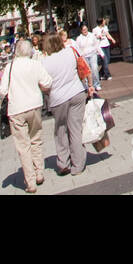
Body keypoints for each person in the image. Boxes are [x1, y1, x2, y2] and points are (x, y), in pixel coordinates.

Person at [0, 38, 53, 193]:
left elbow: (2, 90)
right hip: (35, 105)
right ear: (30, 51)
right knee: (36, 139)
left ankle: (30, 182)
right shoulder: (35, 64)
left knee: (23, 146)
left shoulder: (10, 67)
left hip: (16, 108)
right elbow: (47, 82)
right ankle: (39, 173)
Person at [42, 32, 92, 178]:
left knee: (61, 131)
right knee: (76, 129)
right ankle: (78, 165)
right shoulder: (70, 52)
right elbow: (83, 67)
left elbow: (44, 85)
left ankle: (64, 163)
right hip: (77, 93)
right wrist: (90, 85)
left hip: (58, 99)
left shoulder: (44, 62)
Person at [74, 23, 103, 89]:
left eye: (86, 29)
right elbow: (77, 48)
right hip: (84, 56)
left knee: (94, 69)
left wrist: (101, 53)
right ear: (81, 30)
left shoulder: (92, 35)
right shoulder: (79, 38)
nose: (85, 31)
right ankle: (89, 86)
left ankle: (97, 84)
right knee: (87, 71)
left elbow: (96, 45)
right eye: (83, 30)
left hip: (93, 54)